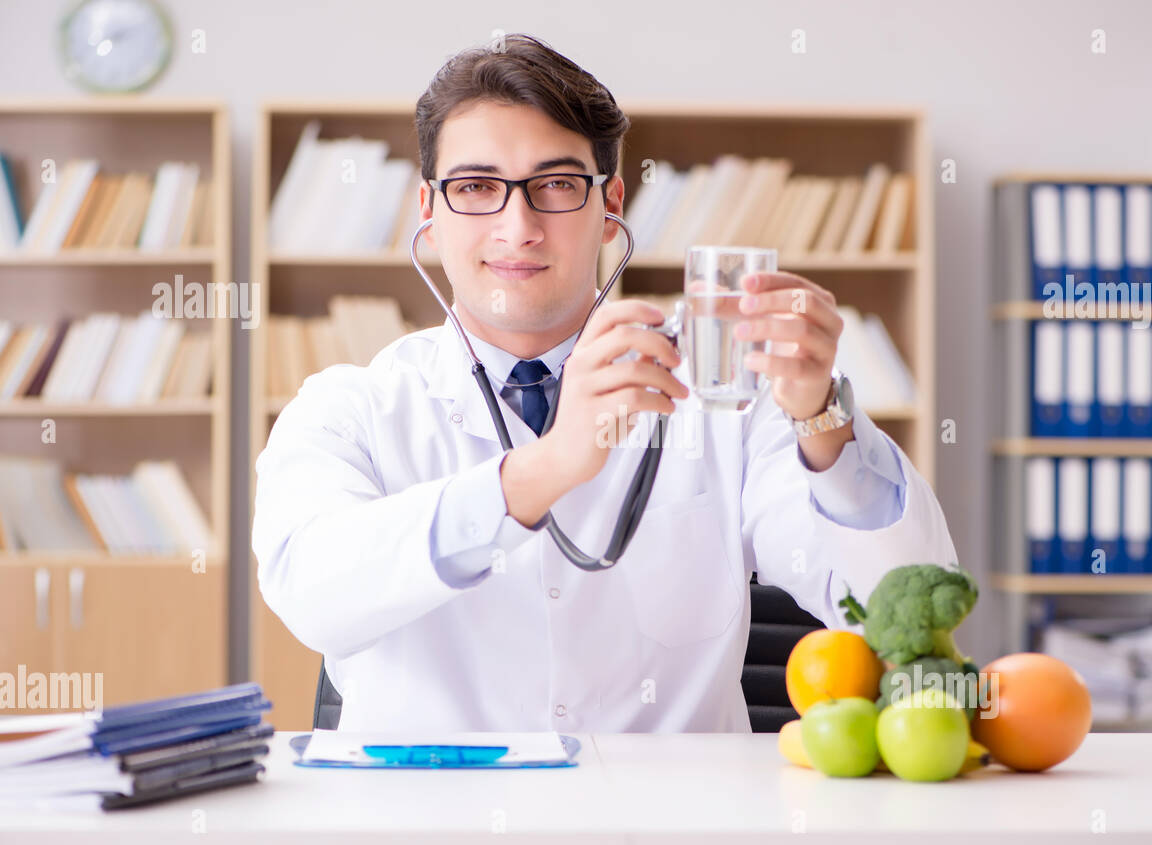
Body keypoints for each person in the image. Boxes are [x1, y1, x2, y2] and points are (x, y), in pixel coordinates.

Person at [251, 33, 958, 733]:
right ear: (429, 214)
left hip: (669, 837)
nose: (517, 226)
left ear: (612, 202)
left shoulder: (730, 397)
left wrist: (822, 418)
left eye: (556, 185)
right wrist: (542, 470)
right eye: (475, 187)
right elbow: (314, 596)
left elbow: (905, 605)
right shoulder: (347, 409)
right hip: (436, 832)